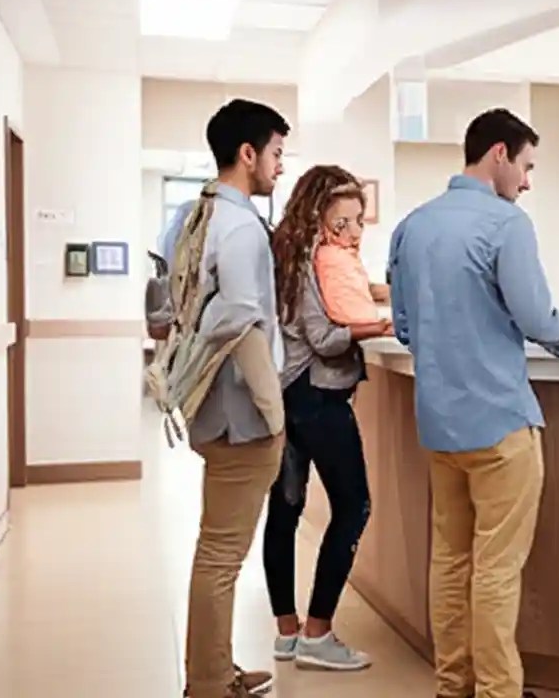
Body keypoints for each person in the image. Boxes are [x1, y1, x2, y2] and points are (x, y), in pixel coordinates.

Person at [387, 108, 559, 698]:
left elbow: (404, 327)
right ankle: (497, 692)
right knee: (496, 569)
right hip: (500, 424)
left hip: (439, 425)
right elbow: (536, 316)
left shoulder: (412, 227)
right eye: (526, 166)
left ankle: (453, 685)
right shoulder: (507, 224)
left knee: (449, 560)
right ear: (498, 155)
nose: (528, 181)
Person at [167, 98, 290, 698]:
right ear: (247, 154)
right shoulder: (241, 226)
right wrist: (273, 412)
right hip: (242, 417)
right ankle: (210, 685)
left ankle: (214, 670)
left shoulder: (193, 215)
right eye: (276, 153)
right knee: (221, 556)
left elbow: (170, 306)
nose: (280, 166)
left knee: (215, 550)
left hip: (214, 409)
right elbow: (242, 317)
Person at [263, 165, 392, 671]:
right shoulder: (308, 260)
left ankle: (288, 632)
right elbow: (324, 337)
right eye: (345, 223)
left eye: (359, 222)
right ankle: (317, 635)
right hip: (316, 395)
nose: (355, 233)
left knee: (286, 509)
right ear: (319, 216)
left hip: (289, 394)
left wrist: (377, 296)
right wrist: (377, 328)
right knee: (354, 507)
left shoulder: (288, 252)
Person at [311, 186, 392, 332]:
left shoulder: (342, 253)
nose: (356, 232)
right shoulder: (333, 258)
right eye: (341, 224)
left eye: (359, 221)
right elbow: (355, 317)